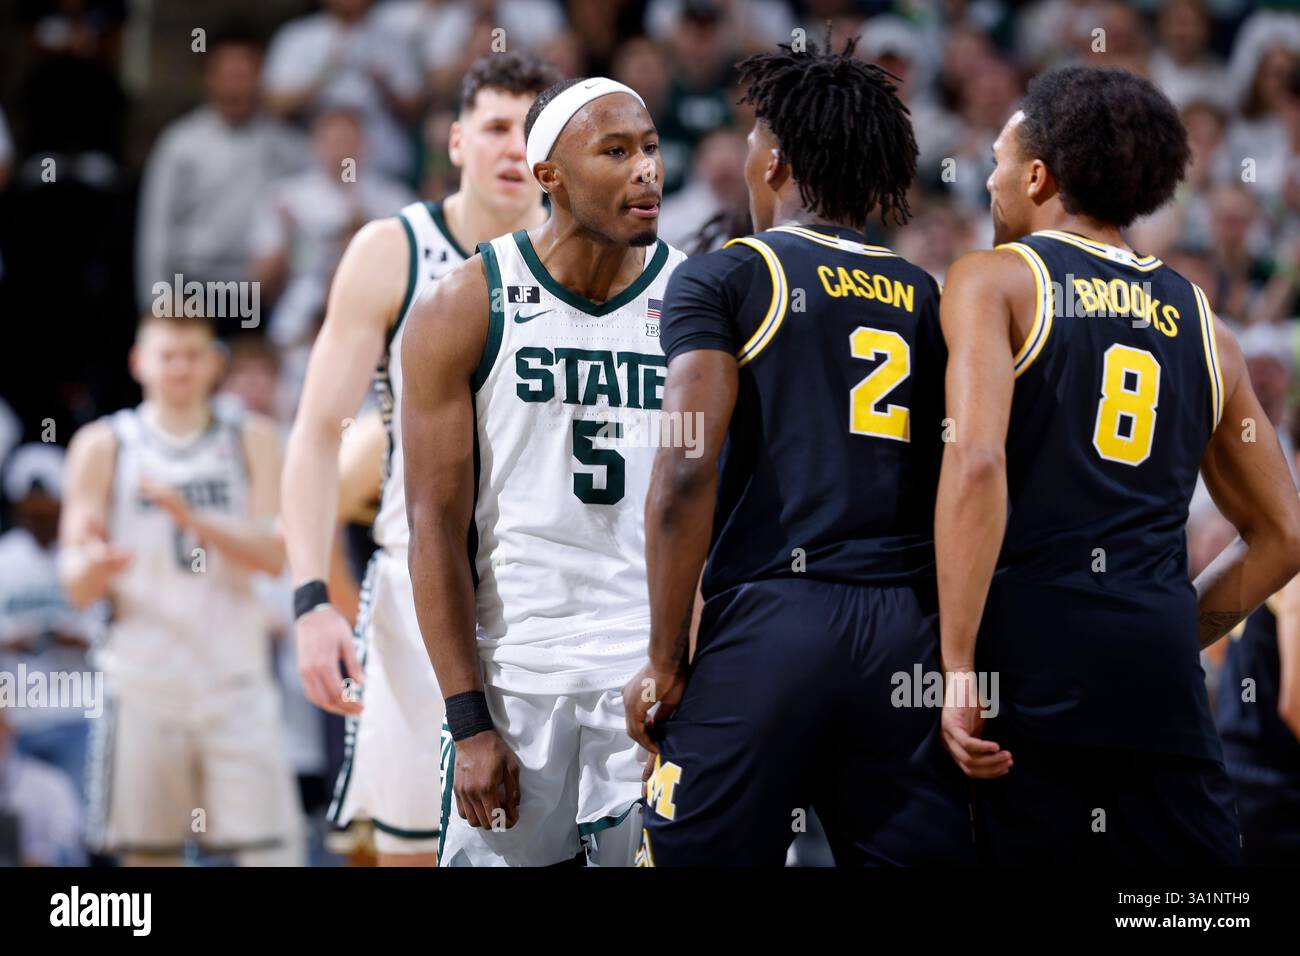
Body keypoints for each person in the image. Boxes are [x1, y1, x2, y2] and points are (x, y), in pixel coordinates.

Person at [935, 65, 1300, 865]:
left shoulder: (993, 280)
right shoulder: (1208, 325)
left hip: (1030, 660)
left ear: (1037, 175)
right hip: (1156, 671)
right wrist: (1178, 626)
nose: (990, 180)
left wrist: (956, 665)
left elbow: (975, 463)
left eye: (998, 160)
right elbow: (1284, 534)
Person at [621, 37, 972, 867]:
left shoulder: (725, 275)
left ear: (774, 160)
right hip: (905, 636)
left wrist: (664, 658)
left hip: (778, 619)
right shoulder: (927, 295)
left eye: (750, 141)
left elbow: (684, 470)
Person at [282, 51, 558, 867]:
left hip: (551, 596)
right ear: (457, 139)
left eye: (535, 128)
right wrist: (308, 600)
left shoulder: (595, 259)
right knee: (408, 853)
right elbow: (314, 435)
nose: (516, 146)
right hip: (416, 587)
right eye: (498, 126)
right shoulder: (392, 249)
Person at [403, 76, 685, 866]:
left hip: (646, 676)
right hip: (516, 677)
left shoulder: (693, 297)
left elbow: (715, 507)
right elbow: (432, 524)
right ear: (549, 175)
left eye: (653, 148)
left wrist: (689, 668)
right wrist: (469, 721)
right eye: (617, 150)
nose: (647, 171)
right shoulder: (466, 302)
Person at [59, 312, 302, 866]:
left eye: (193, 355)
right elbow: (75, 583)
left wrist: (191, 517)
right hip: (144, 683)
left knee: (273, 855)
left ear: (216, 364)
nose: (180, 367)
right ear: (138, 362)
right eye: (166, 355)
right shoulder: (105, 445)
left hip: (234, 680)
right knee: (148, 859)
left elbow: (271, 555)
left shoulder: (252, 438)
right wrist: (96, 564)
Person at [0, 444, 102, 798]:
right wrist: (14, 640)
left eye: (48, 513)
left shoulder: (89, 555)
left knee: (84, 828)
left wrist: (76, 637)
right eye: (31, 513)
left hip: (80, 713)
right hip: (20, 716)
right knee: (26, 833)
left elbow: (118, 634)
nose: (39, 521)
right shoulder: (5, 557)